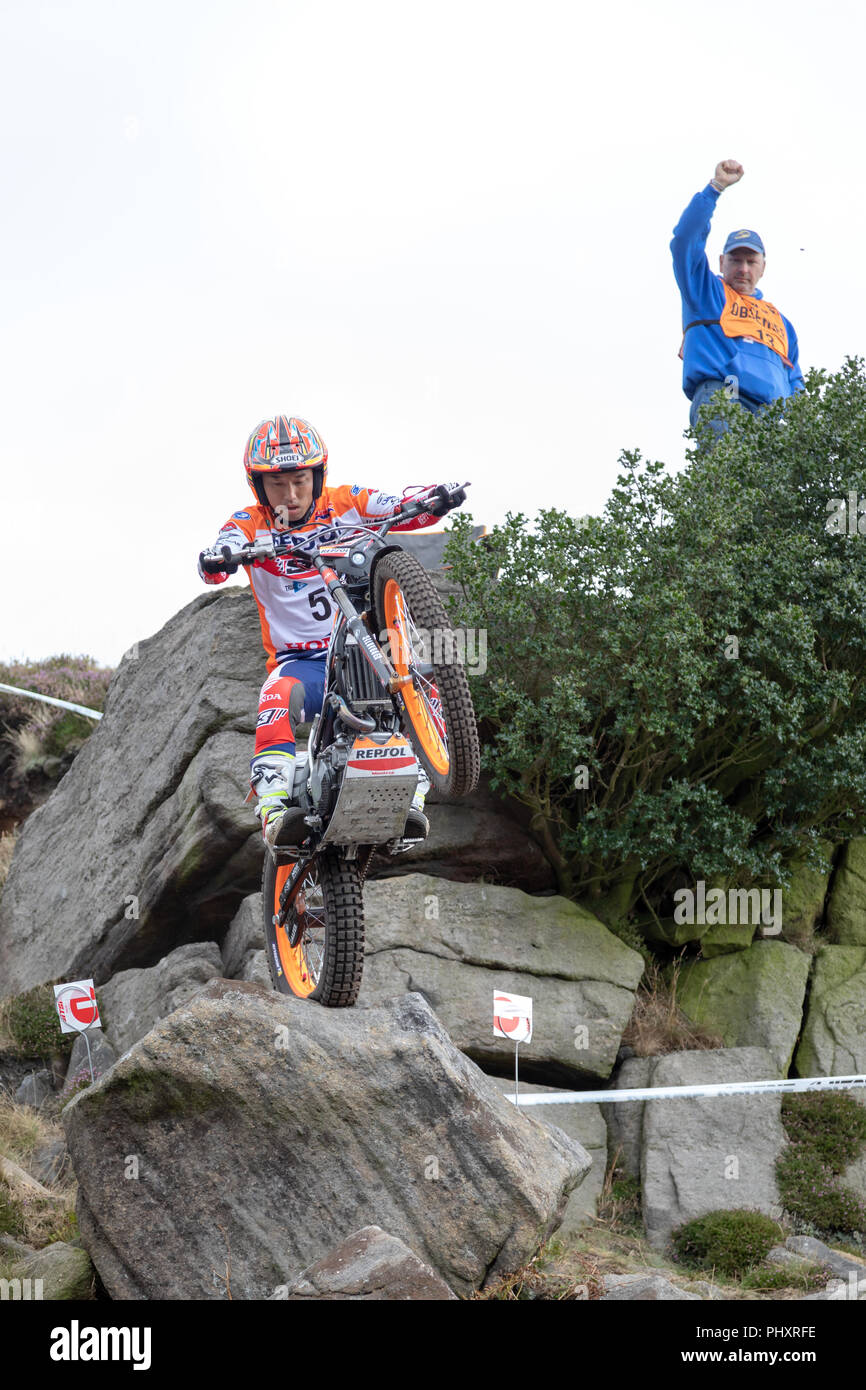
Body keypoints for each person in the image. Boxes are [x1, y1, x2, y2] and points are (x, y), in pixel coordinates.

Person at [198, 415, 460, 847]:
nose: (292, 494)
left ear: (318, 475)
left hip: (363, 653)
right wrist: (219, 556)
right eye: (278, 485)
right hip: (303, 666)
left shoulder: (345, 502)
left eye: (301, 480)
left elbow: (396, 508)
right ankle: (275, 809)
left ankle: (412, 797)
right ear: (259, 486)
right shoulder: (251, 523)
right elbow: (221, 553)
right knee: (276, 694)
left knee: (422, 687)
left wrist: (433, 499)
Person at [671, 159, 805, 439]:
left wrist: (802, 430)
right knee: (728, 475)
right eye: (735, 260)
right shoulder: (705, 291)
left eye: (751, 261)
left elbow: (795, 382)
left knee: (771, 483)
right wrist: (714, 188)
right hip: (724, 398)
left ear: (763, 268)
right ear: (721, 262)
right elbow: (684, 240)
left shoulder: (782, 323)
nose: (743, 268)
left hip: (771, 421)